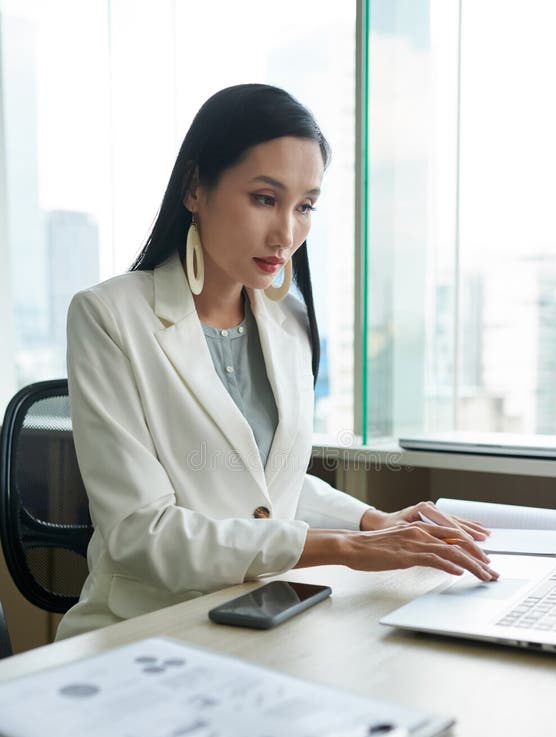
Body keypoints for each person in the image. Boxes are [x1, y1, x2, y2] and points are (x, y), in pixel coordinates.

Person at [56, 84, 497, 640]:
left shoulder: (288, 320)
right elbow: (141, 533)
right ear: (195, 188)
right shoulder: (108, 315)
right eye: (265, 198)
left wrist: (372, 521)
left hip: (256, 616)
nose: (287, 233)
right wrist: (346, 547)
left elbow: (266, 487)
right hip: (141, 631)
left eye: (305, 206)